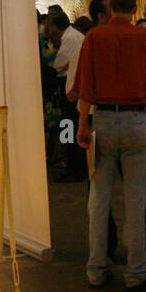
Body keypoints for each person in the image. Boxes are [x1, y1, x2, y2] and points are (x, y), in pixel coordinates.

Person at [75, 0, 146, 292]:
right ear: (135, 8)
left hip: (104, 120)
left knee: (99, 199)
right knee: (136, 200)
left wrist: (83, 124)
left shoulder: (94, 38)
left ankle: (96, 268)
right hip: (137, 119)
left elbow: (86, 85)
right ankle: (136, 271)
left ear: (110, 7)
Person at [48, 11, 87, 182]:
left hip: (71, 91)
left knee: (68, 126)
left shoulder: (70, 38)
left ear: (55, 27)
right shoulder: (74, 36)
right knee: (70, 126)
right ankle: (74, 164)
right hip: (75, 89)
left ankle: (73, 167)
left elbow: (58, 64)